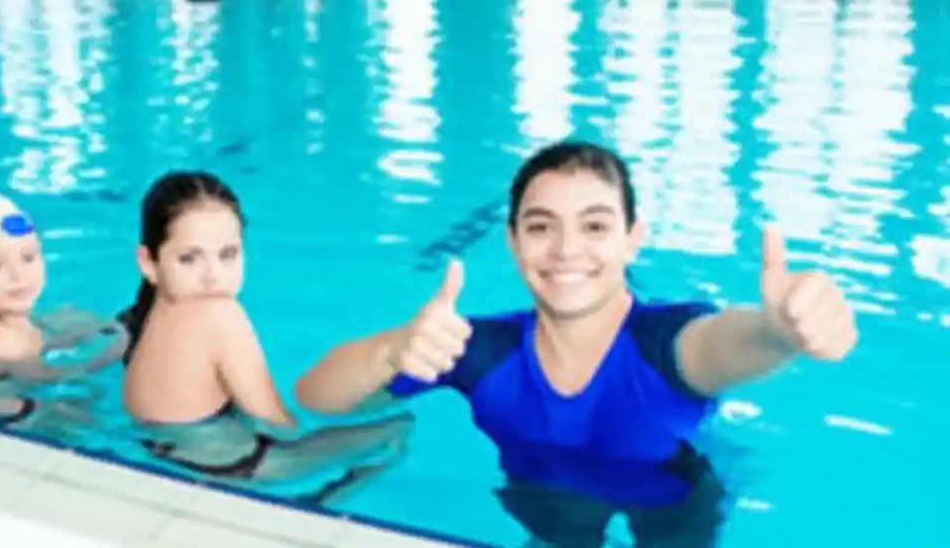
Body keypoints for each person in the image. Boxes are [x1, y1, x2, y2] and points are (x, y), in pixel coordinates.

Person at [294, 140, 859, 547]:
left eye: (594, 226)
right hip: (545, 500)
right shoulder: (480, 350)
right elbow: (316, 395)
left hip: (672, 500)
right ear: (514, 242)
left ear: (632, 240)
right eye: (541, 227)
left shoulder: (666, 345)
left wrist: (778, 332)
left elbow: (724, 345)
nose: (567, 250)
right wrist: (391, 353)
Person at [118, 171, 414, 501]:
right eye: (189, 258)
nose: (213, 277)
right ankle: (319, 504)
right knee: (399, 428)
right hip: (239, 472)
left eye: (227, 255)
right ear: (148, 262)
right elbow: (280, 426)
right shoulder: (218, 315)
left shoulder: (144, 319)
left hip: (164, 455)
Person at [0, 192, 126, 427]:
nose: (18, 275)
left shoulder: (0, 318)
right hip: (10, 410)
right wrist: (111, 354)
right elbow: (55, 379)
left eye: (28, 258)